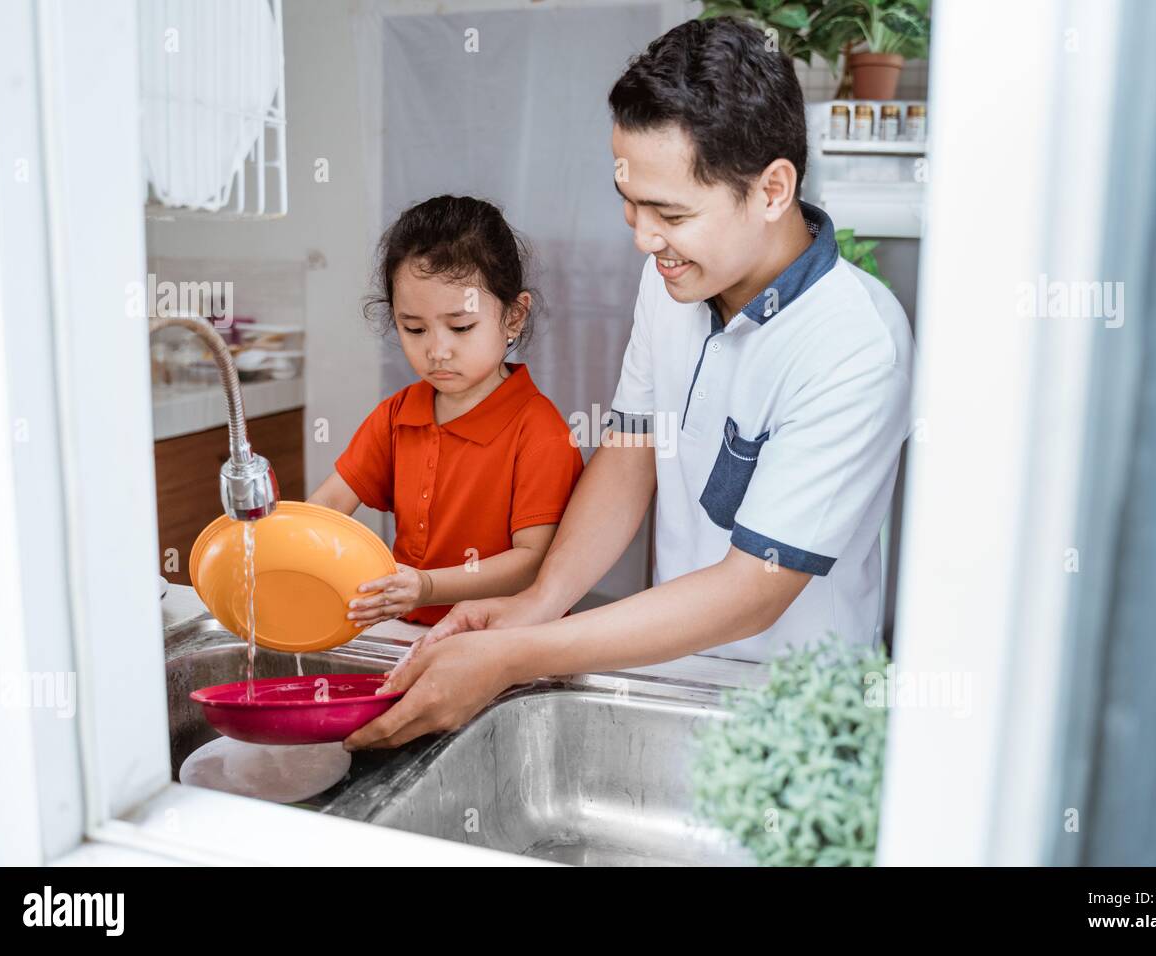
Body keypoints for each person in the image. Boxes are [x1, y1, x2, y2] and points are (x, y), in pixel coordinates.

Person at [344, 17, 913, 751]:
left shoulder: (854, 345)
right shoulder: (670, 281)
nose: (642, 238)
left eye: (671, 213)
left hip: (795, 707)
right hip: (668, 672)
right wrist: (539, 602)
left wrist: (511, 655)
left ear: (773, 189)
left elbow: (752, 590)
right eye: (630, 199)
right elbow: (630, 450)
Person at [307, 195, 584, 628]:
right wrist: (280, 548)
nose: (436, 350)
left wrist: (428, 586)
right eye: (413, 328)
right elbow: (327, 505)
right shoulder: (398, 414)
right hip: (410, 632)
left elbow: (532, 562)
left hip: (506, 639)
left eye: (460, 327)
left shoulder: (539, 432)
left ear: (513, 317)